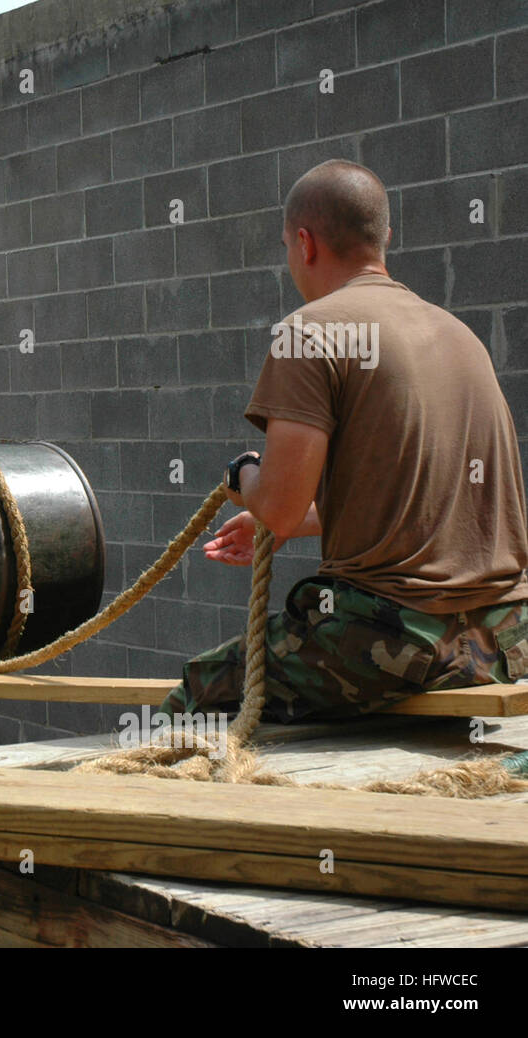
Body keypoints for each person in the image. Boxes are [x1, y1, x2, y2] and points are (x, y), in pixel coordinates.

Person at [161, 159, 528, 723]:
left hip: (394, 643)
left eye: (287, 247)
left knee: (194, 699)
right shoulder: (461, 336)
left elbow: (278, 506)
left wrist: (243, 477)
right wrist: (305, 518)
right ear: (384, 238)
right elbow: (416, 499)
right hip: (504, 643)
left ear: (304, 244)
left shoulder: (310, 333)